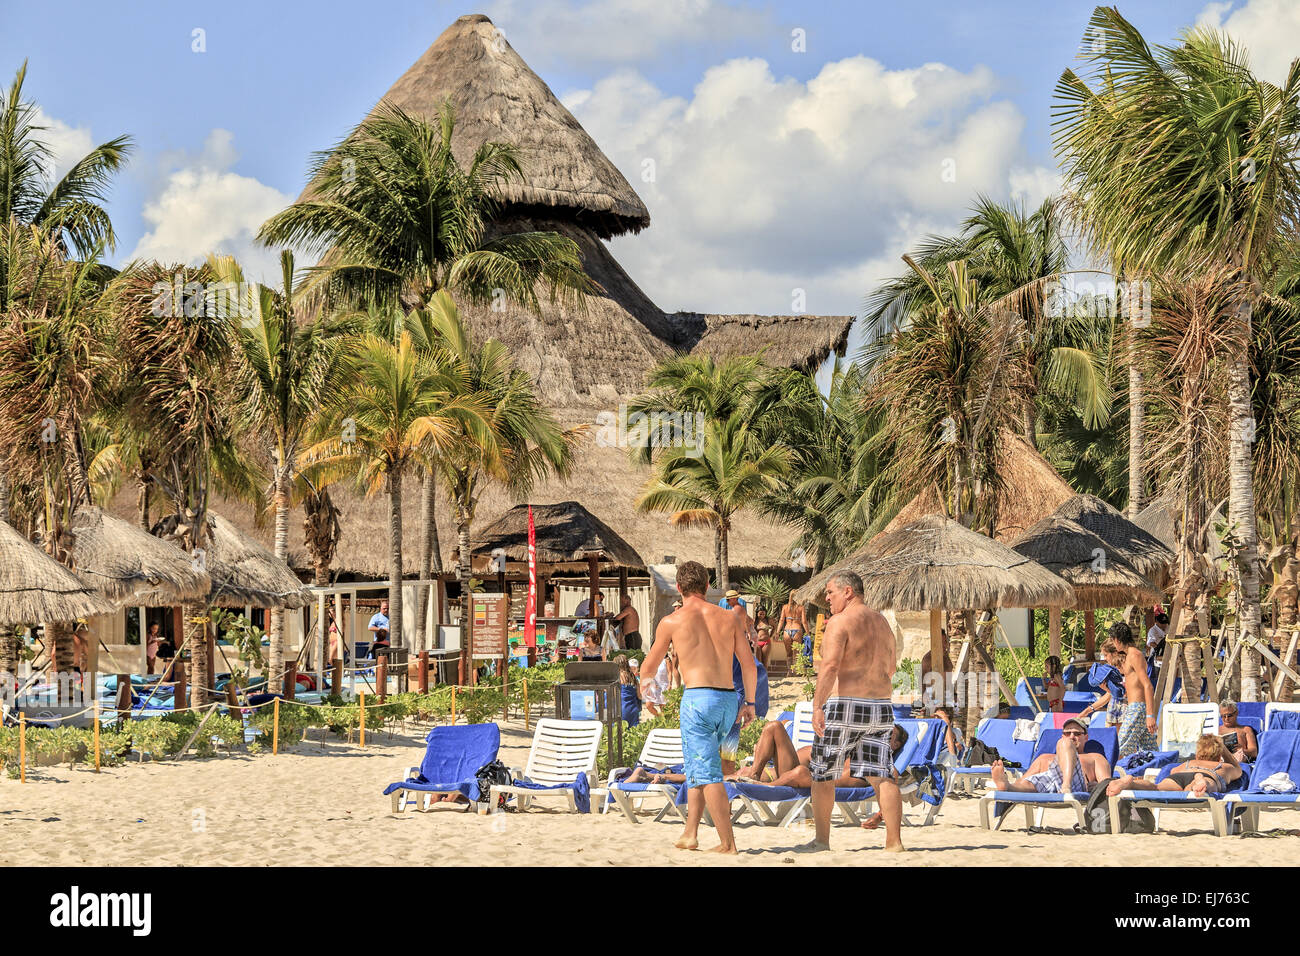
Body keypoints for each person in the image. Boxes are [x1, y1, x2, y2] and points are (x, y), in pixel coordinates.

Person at [640, 560, 756, 854]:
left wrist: (652, 697)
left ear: (678, 588)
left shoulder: (672, 621)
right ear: (707, 587)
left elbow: (648, 668)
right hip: (729, 700)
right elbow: (748, 665)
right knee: (699, 765)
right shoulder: (730, 618)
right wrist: (751, 702)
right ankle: (690, 833)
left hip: (699, 700)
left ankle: (728, 844)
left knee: (708, 773)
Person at [805, 569, 901, 853]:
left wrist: (817, 705)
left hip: (845, 702)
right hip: (881, 705)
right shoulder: (883, 622)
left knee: (822, 774)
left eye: (830, 592)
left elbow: (831, 666)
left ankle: (822, 841)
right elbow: (892, 666)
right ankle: (894, 843)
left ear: (848, 591)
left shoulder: (839, 622)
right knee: (881, 775)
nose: (827, 597)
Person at [991, 718, 1111, 794]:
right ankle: (1007, 787)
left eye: (1077, 733)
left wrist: (1097, 786)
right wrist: (1013, 785)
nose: (1071, 736)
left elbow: (1107, 784)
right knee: (1031, 782)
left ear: (1086, 737)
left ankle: (1066, 784)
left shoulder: (1094, 757)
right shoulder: (1045, 758)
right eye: (1067, 733)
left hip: (1077, 786)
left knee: (1066, 744)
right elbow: (1023, 780)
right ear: (1062, 735)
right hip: (1048, 784)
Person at [1106, 734, 1243, 797]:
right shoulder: (1223, 766)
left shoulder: (1186, 763)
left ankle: (1131, 783)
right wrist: (1223, 747)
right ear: (1219, 755)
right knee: (1200, 787)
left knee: (1157, 788)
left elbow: (1172, 772)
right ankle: (1200, 782)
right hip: (1208, 774)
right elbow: (1238, 768)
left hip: (1180, 775)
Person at [1106, 623, 1158, 758]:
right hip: (1135, 708)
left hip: (1138, 708)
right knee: (1150, 753)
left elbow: (1148, 685)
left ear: (1117, 639)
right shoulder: (1128, 656)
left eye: (1113, 640)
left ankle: (1109, 776)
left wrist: (1150, 715)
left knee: (1119, 747)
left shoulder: (1135, 655)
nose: (1113, 643)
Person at [778, 596, 805, 667]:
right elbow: (804, 621)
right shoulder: (801, 607)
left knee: (788, 654)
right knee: (797, 653)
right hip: (797, 629)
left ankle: (789, 671)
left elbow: (781, 620)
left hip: (787, 630)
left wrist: (777, 632)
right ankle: (796, 671)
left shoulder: (785, 607)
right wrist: (807, 633)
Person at [616, 655, 641, 727]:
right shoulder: (634, 677)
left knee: (619, 732)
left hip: (621, 708)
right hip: (633, 709)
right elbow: (639, 696)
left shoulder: (617, 677)